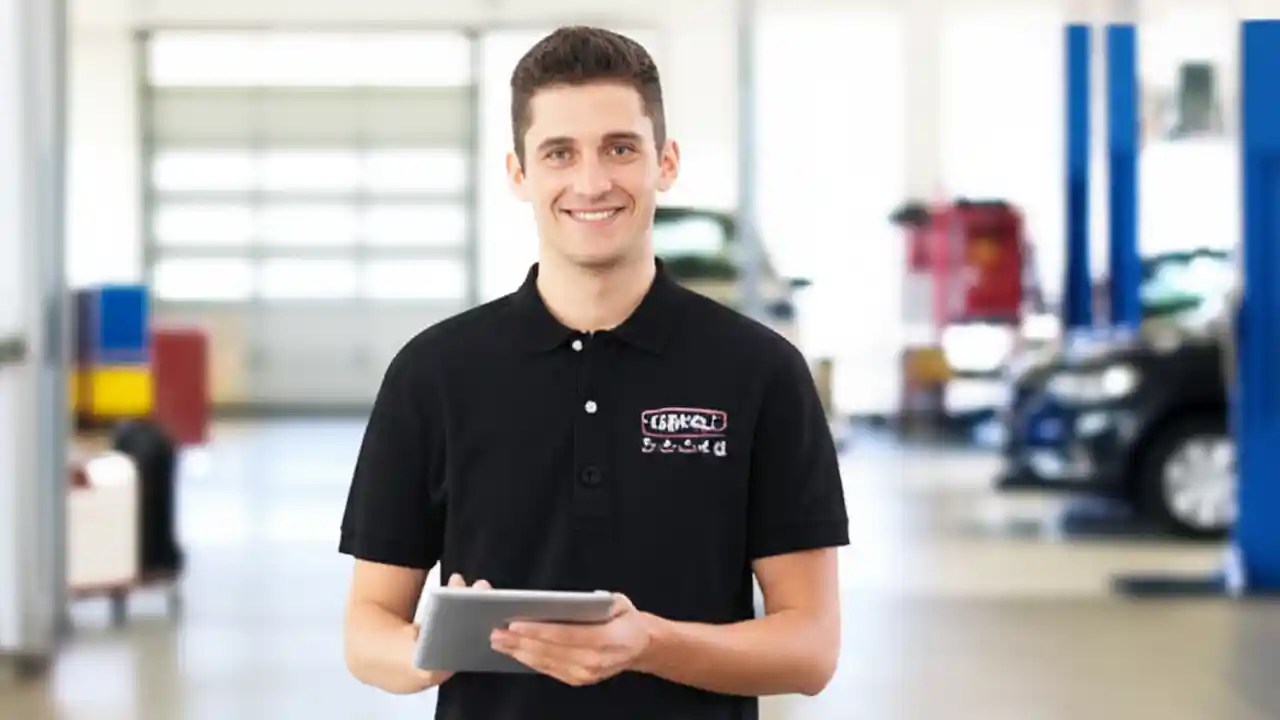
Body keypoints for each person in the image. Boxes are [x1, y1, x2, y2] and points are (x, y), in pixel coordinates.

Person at [339, 25, 849, 720]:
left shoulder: (760, 373)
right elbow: (367, 629)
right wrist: (438, 646)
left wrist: (649, 644)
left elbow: (811, 648)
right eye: (559, 153)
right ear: (519, 174)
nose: (591, 181)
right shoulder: (433, 374)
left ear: (664, 162)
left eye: (619, 148)